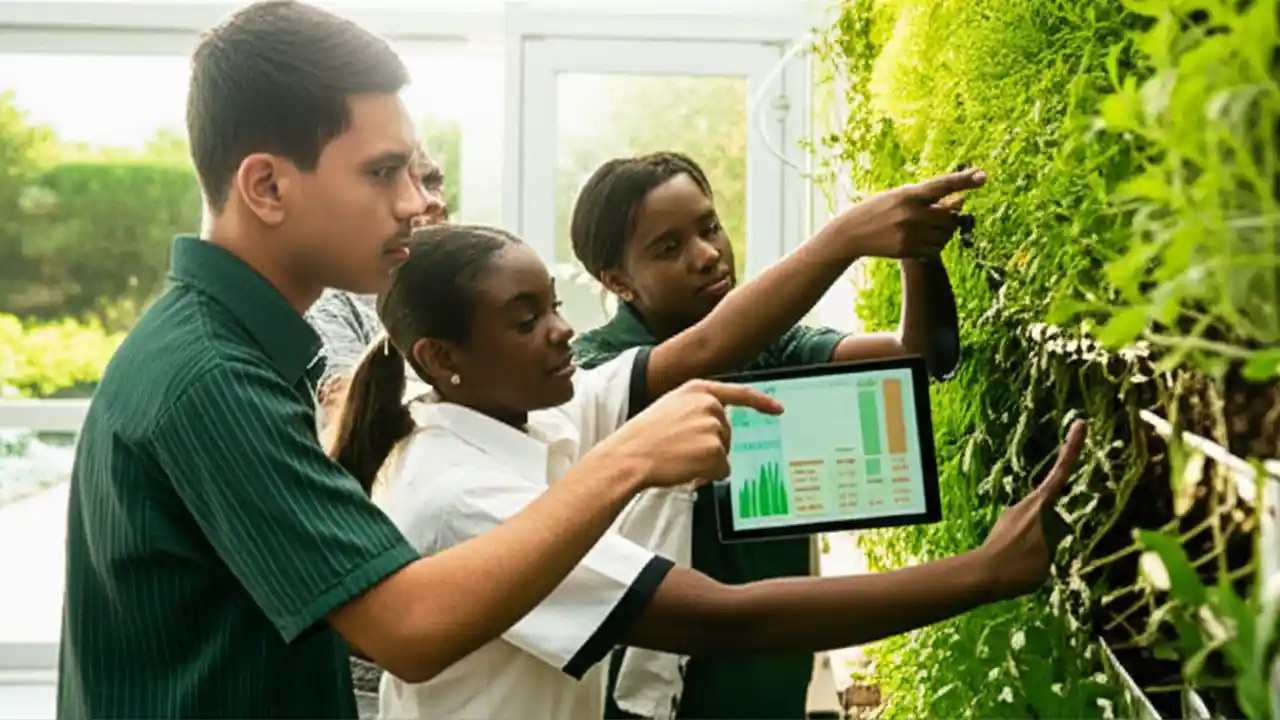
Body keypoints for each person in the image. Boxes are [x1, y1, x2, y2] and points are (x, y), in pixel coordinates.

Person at [55, 3, 779, 718]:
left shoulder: (236, 347)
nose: (414, 203)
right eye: (382, 173)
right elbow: (410, 628)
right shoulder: (209, 378)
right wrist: (627, 461)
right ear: (267, 187)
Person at [327, 220, 1085, 720]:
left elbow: (703, 347)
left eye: (553, 306)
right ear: (441, 359)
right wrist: (984, 572)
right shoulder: (463, 494)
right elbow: (726, 617)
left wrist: (856, 235)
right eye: (526, 322)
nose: (562, 333)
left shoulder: (525, 409)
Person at [568, 151, 964, 718]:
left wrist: (915, 252)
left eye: (709, 228)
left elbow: (916, 359)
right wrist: (846, 237)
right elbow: (704, 351)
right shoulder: (594, 372)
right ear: (617, 281)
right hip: (658, 695)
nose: (707, 256)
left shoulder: (770, 345)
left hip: (771, 675)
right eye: (668, 248)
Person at [308, 149, 448, 427]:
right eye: (414, 188)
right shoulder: (336, 301)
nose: (432, 204)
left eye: (432, 187)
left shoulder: (461, 291)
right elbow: (346, 400)